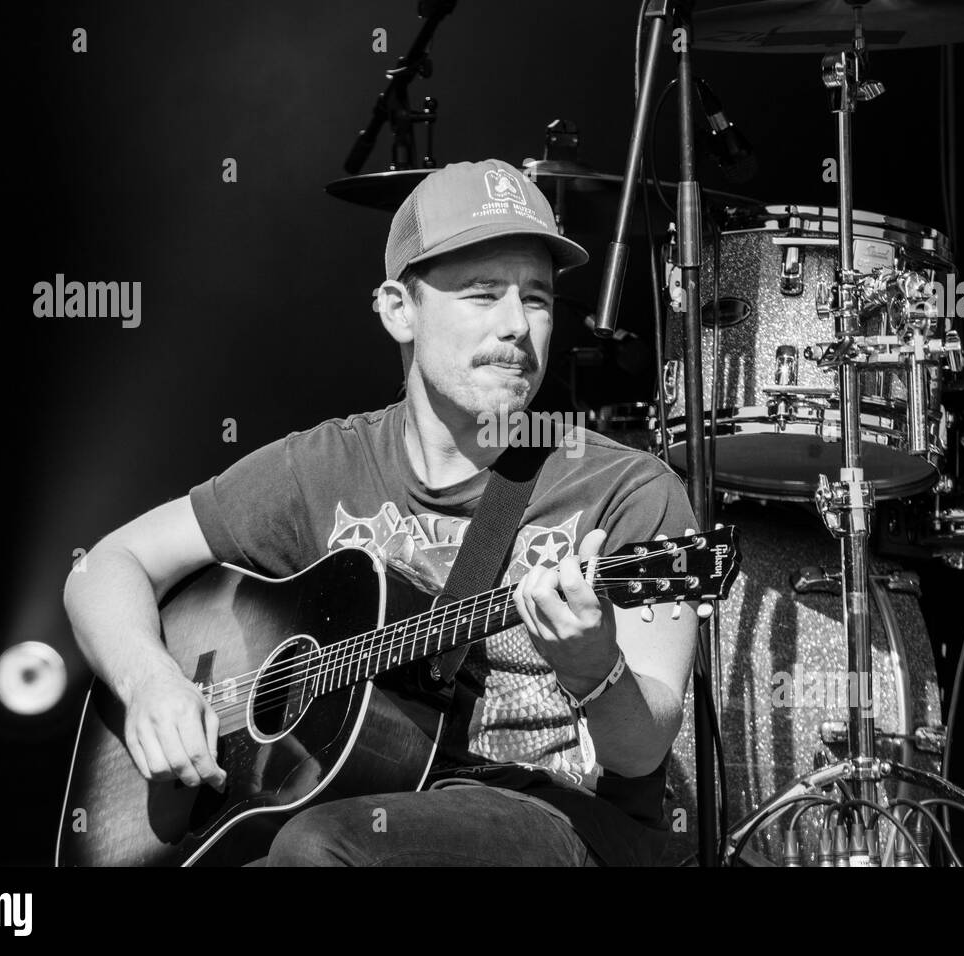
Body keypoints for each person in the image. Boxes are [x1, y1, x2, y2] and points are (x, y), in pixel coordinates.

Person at [62, 158, 701, 866]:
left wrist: (594, 669)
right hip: (354, 811)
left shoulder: (628, 489)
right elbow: (104, 566)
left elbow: (643, 753)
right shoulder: (321, 466)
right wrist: (151, 682)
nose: (518, 326)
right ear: (399, 310)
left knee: (318, 848)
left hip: (560, 822)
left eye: (538, 298)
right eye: (483, 294)